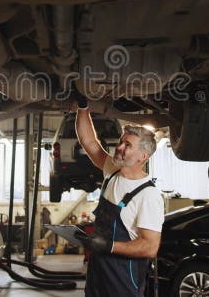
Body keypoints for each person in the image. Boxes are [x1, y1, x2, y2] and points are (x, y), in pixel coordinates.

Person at [72, 93, 164, 297]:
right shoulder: (112, 171)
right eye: (121, 142)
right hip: (98, 273)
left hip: (123, 280)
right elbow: (89, 142)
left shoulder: (148, 196)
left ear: (143, 156)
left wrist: (109, 245)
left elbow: (150, 247)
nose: (119, 147)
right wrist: (83, 107)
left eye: (127, 145)